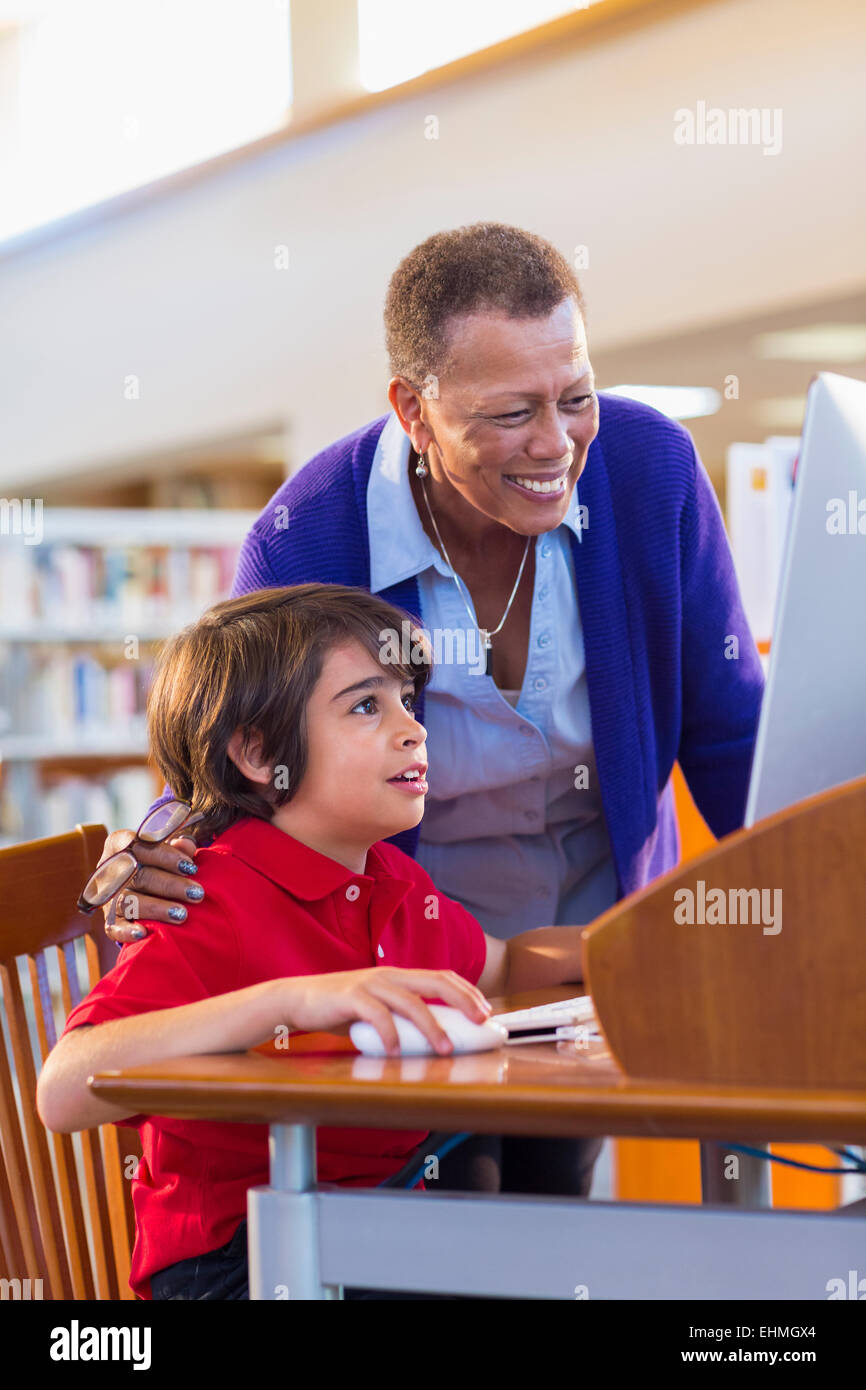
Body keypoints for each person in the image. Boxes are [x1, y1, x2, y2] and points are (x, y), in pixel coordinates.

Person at [94, 222, 764, 1198]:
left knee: (552, 1211)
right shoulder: (308, 532)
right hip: (401, 952)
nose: (554, 443)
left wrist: (797, 901)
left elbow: (729, 729)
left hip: (576, 943)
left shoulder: (646, 472)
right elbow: (230, 758)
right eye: (507, 414)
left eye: (574, 398)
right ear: (413, 409)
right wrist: (153, 846)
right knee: (446, 1204)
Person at [38, 583, 603, 1300]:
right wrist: (295, 1001)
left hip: (366, 1230)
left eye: (406, 700)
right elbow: (63, 1091)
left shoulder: (394, 880)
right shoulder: (211, 897)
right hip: (237, 1263)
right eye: (367, 706)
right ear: (257, 752)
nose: (412, 728)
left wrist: (637, 942)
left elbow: (509, 963)